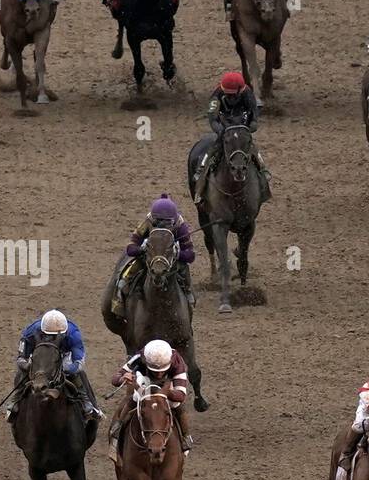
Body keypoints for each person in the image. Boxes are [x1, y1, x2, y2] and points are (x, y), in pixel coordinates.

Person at [4, 309, 103, 420]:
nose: (52, 338)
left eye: (56, 336)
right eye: (48, 335)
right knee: (22, 372)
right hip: (40, 353)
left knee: (78, 374)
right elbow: (21, 358)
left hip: (63, 355)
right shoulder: (30, 332)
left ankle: (86, 401)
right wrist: (27, 366)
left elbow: (78, 362)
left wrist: (68, 369)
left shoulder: (73, 333)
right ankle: (15, 399)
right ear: (42, 330)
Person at [109, 195, 195, 318]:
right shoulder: (147, 222)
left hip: (170, 258)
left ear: (173, 221)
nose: (162, 225)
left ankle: (188, 295)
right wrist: (142, 249)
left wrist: (176, 254)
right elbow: (131, 247)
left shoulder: (181, 226)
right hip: (150, 255)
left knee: (184, 269)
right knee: (127, 274)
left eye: (166, 223)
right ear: (153, 219)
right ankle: (119, 299)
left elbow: (190, 255)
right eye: (159, 222)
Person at [107, 339, 193, 460]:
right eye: (155, 370)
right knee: (135, 398)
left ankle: (185, 436)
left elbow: (181, 395)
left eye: (162, 370)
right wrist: (123, 378)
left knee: (175, 404)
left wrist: (165, 392)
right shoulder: (139, 357)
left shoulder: (177, 362)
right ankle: (118, 430)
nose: (158, 374)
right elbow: (115, 379)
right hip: (145, 381)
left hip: (167, 385)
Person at [195, 71, 270, 203]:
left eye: (232, 94)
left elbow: (254, 119)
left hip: (242, 124)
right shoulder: (216, 95)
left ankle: (263, 171)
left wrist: (248, 128)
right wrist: (222, 131)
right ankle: (201, 174)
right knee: (215, 147)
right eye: (227, 94)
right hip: (224, 125)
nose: (229, 97)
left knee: (250, 148)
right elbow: (212, 119)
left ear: (240, 91)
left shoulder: (248, 94)